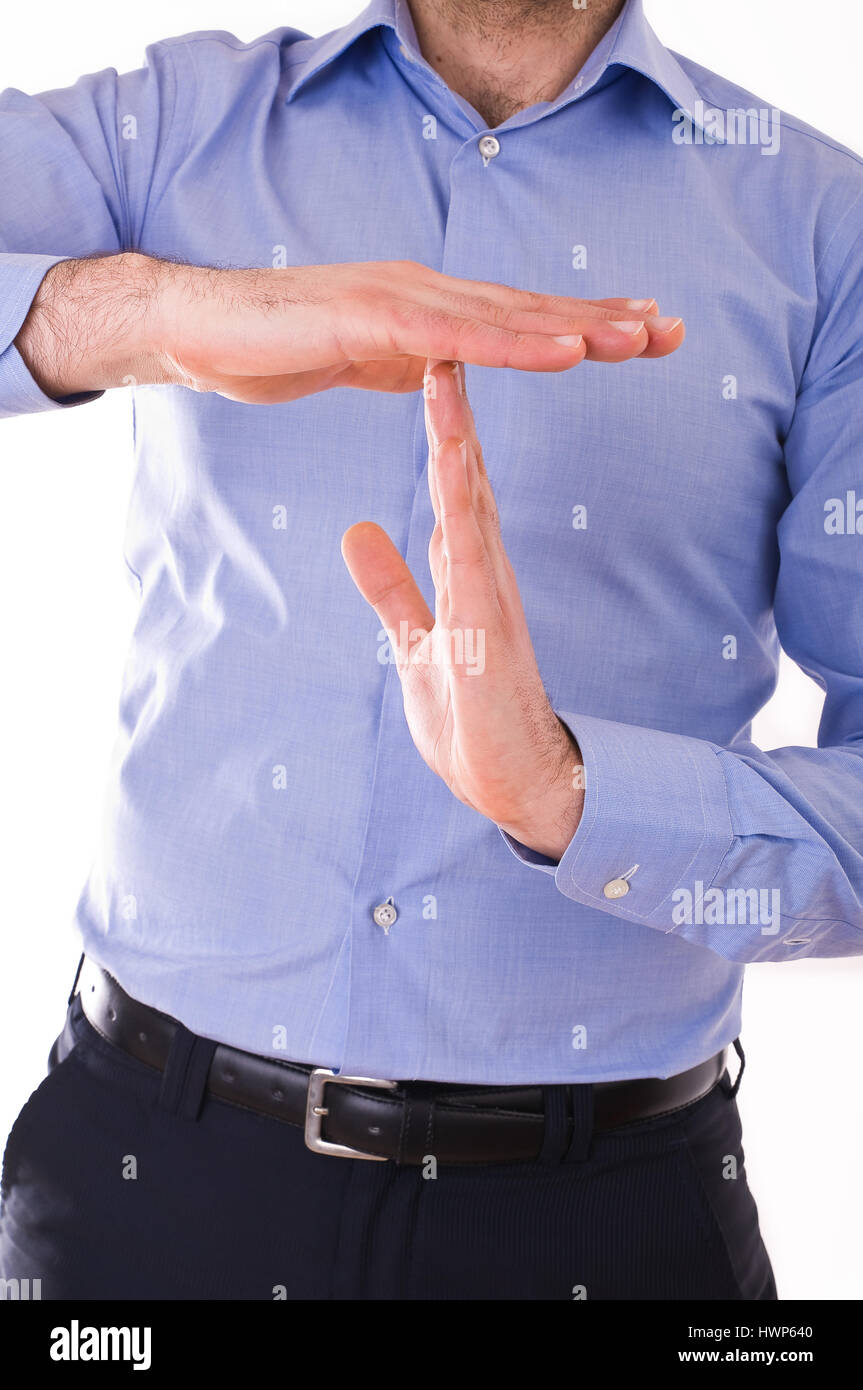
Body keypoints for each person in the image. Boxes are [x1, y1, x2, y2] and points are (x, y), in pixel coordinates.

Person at [1, 0, 861, 1301]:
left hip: (612, 1220)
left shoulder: (828, 227)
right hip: (141, 1185)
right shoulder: (174, 122)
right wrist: (148, 311)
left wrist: (574, 796)